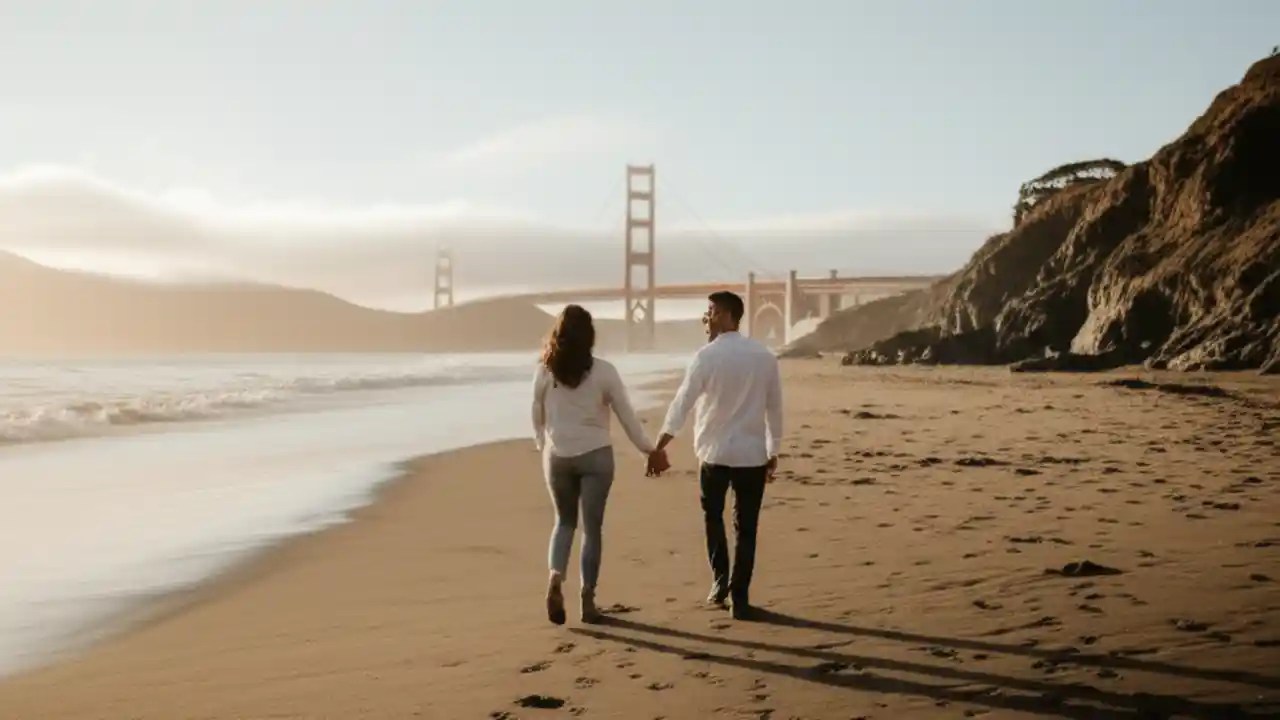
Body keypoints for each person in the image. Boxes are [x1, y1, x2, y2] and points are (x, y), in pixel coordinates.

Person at [648, 291, 783, 620]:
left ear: (725, 315)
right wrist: (773, 450)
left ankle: (720, 581)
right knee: (746, 528)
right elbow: (774, 408)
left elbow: (683, 402)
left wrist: (660, 443)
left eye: (709, 311)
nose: (705, 317)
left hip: (715, 453)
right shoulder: (764, 356)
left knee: (713, 517)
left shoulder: (706, 356)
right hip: (752, 454)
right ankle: (740, 597)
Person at [531, 305, 663, 625]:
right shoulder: (605, 371)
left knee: (563, 522)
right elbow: (627, 417)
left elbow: (536, 413)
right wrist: (650, 450)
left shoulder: (544, 371)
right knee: (592, 530)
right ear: (590, 335)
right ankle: (588, 601)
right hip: (596, 457)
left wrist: (542, 444)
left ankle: (554, 579)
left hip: (557, 456)